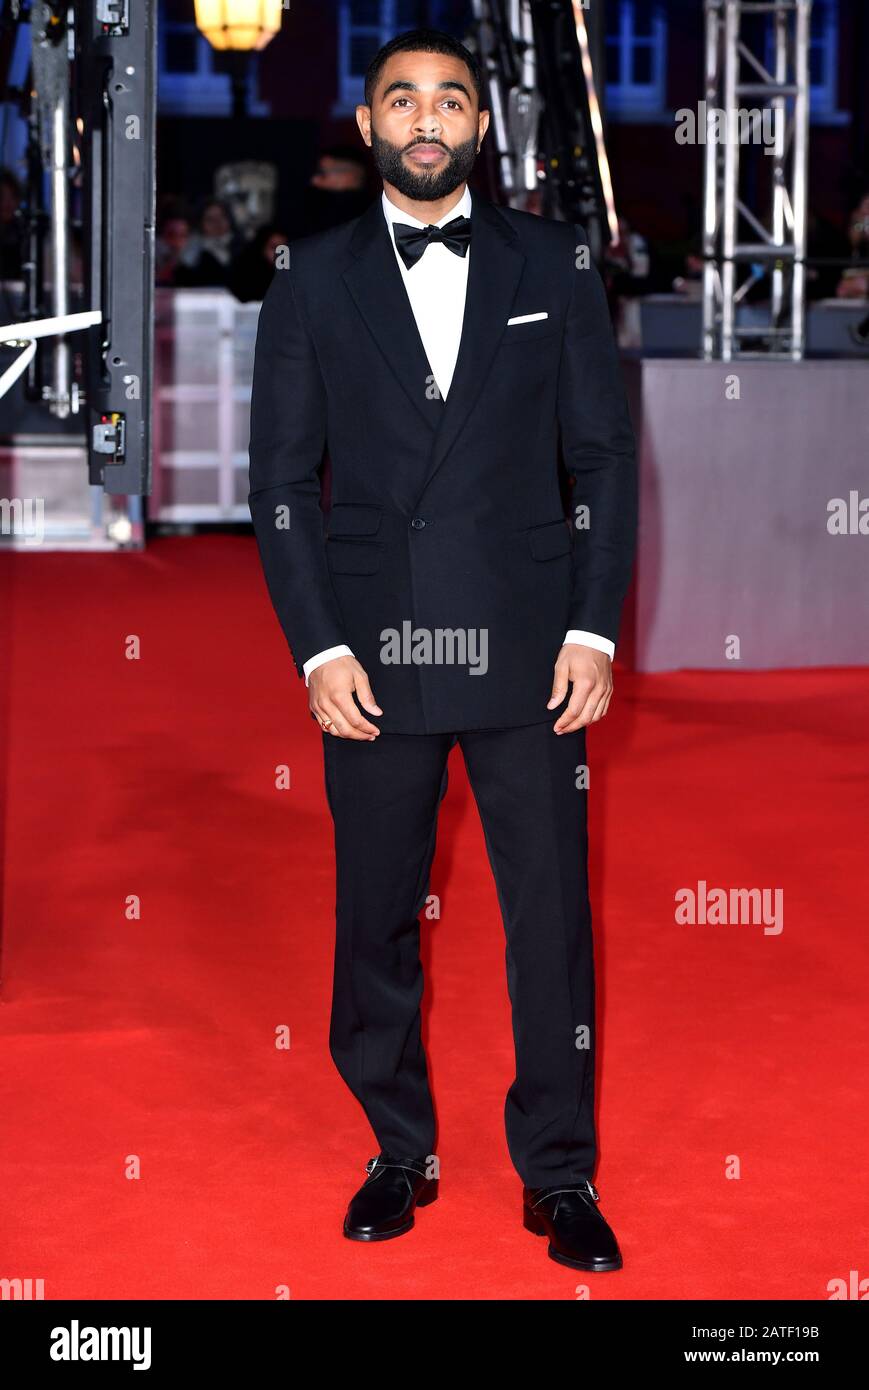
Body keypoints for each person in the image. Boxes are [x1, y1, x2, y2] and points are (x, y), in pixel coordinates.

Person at [248, 28, 637, 1273]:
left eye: (449, 99)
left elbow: (601, 459)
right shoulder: (307, 275)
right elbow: (282, 485)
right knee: (375, 917)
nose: (426, 118)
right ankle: (396, 1147)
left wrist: (591, 624)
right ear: (365, 128)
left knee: (549, 920)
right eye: (400, 99)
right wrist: (315, 646)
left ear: (482, 122)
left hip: (529, 646)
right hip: (371, 648)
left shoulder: (554, 261)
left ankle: (557, 1172)